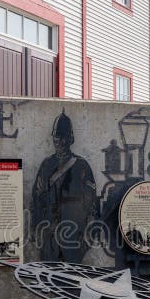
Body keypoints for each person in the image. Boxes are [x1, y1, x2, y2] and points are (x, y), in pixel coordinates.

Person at [32, 110, 97, 262]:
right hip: (50, 236)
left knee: (71, 280)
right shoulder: (46, 165)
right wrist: (36, 230)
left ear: (70, 138)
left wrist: (88, 238)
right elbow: (36, 201)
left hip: (73, 236)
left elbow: (92, 205)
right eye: (57, 137)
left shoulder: (82, 166)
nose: (59, 141)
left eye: (63, 137)